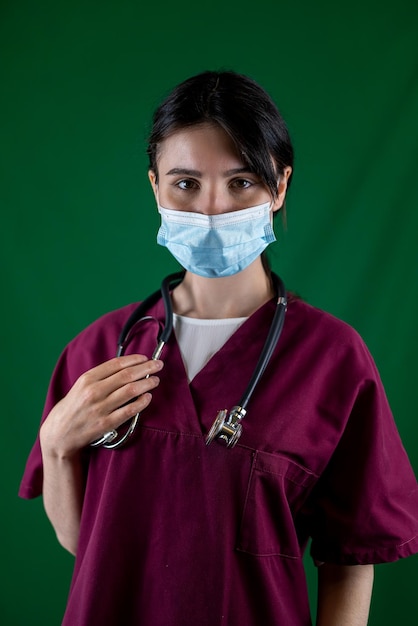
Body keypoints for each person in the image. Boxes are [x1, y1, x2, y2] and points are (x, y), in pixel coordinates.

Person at [20, 70, 418, 626]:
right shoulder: (99, 350)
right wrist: (57, 445)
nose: (211, 208)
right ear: (154, 186)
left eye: (241, 182)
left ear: (279, 186)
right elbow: (87, 545)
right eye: (186, 183)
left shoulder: (331, 359)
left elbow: (348, 559)